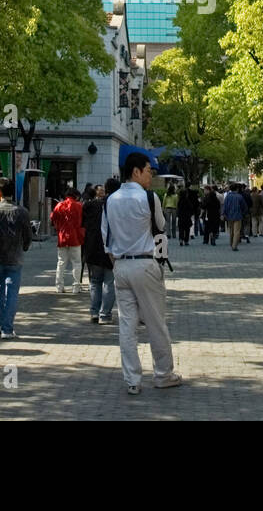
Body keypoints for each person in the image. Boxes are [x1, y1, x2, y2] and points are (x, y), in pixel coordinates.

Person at [102, 152, 181, 395]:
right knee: (155, 322)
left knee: (127, 326)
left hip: (121, 267)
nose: (150, 175)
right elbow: (161, 228)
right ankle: (163, 374)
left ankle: (132, 379)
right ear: (135, 171)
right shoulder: (149, 198)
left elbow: (106, 239)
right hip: (145, 263)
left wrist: (116, 261)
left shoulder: (109, 200)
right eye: (148, 170)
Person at [0, 177, 31, 339]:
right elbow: (28, 235)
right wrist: (24, 247)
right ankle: (7, 328)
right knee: (11, 292)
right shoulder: (22, 211)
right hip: (15, 257)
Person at [81, 179, 116, 324]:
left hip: (91, 248)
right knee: (109, 282)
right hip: (109, 249)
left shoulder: (88, 206)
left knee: (95, 282)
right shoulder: (112, 206)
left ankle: (94, 312)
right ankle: (105, 314)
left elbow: (82, 224)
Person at [51, 186, 84, 294]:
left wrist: (59, 228)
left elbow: (53, 218)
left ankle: (59, 286)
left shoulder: (60, 205)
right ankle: (76, 286)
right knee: (77, 263)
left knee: (61, 262)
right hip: (75, 237)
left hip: (62, 237)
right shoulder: (79, 206)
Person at [222, 182, 247, 250]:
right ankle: (234, 245)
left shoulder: (228, 196)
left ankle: (231, 243)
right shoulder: (239, 196)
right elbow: (244, 207)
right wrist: (243, 213)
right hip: (238, 216)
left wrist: (223, 214)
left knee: (231, 231)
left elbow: (225, 206)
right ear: (237, 189)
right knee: (237, 231)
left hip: (229, 216)